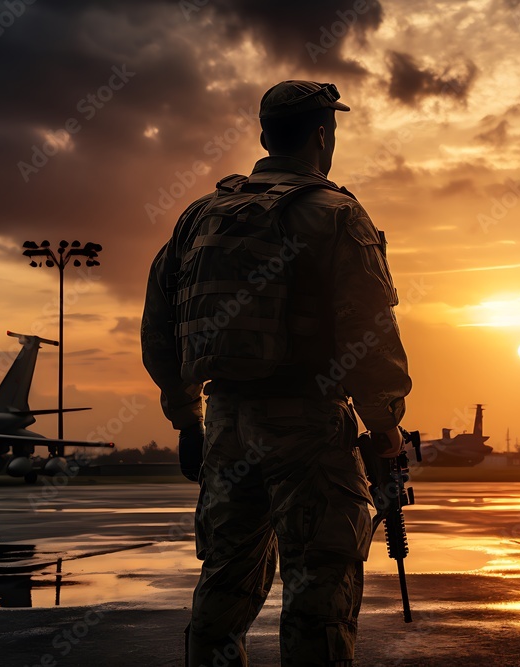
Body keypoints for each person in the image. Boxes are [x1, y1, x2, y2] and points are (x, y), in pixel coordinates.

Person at [141, 80, 412, 667]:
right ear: (323, 136)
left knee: (224, 581)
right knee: (319, 588)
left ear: (265, 137)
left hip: (226, 423)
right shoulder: (335, 214)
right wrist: (385, 425)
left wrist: (188, 420)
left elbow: (160, 327)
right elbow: (368, 331)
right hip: (308, 424)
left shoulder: (199, 217)